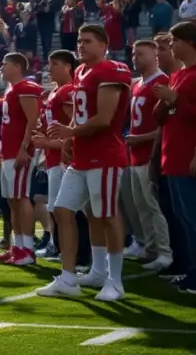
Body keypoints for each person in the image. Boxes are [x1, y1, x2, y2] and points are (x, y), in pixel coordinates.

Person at [39, 24, 132, 302]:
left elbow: (104, 119)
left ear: (104, 44)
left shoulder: (111, 70)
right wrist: (69, 138)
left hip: (104, 154)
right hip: (81, 155)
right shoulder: (80, 71)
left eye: (88, 41)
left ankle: (114, 281)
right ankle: (70, 277)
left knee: (106, 215)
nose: (81, 45)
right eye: (79, 41)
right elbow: (79, 116)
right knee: (63, 210)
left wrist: (70, 133)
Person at [119, 39, 173, 272]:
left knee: (153, 206)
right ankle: (147, 246)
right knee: (139, 205)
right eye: (133, 54)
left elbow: (165, 126)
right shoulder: (139, 83)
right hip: (135, 154)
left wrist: (140, 139)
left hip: (150, 153)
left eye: (140, 54)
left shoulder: (161, 82)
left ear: (154, 56)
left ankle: (165, 251)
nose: (135, 58)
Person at [152, 20, 196, 294]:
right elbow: (161, 118)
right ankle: (190, 268)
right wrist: (165, 100)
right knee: (181, 217)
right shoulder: (177, 75)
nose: (171, 46)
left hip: (187, 156)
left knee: (192, 217)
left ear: (190, 43)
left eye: (175, 41)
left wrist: (175, 100)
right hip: (172, 154)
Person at [0, 53, 45, 265]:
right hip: (8, 150)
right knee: (12, 200)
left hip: (19, 150)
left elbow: (33, 120)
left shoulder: (26, 88)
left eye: (5, 64)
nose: (1, 68)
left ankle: (27, 248)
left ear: (17, 66)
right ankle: (18, 246)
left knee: (21, 196)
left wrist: (24, 147)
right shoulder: (11, 90)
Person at [31, 49, 76, 261]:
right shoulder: (54, 92)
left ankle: (61, 247)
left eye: (55, 64)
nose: (50, 68)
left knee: (61, 207)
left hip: (63, 157)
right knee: (53, 205)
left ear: (68, 66)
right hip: (51, 156)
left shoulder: (68, 91)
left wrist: (48, 142)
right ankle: (55, 244)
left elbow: (74, 130)